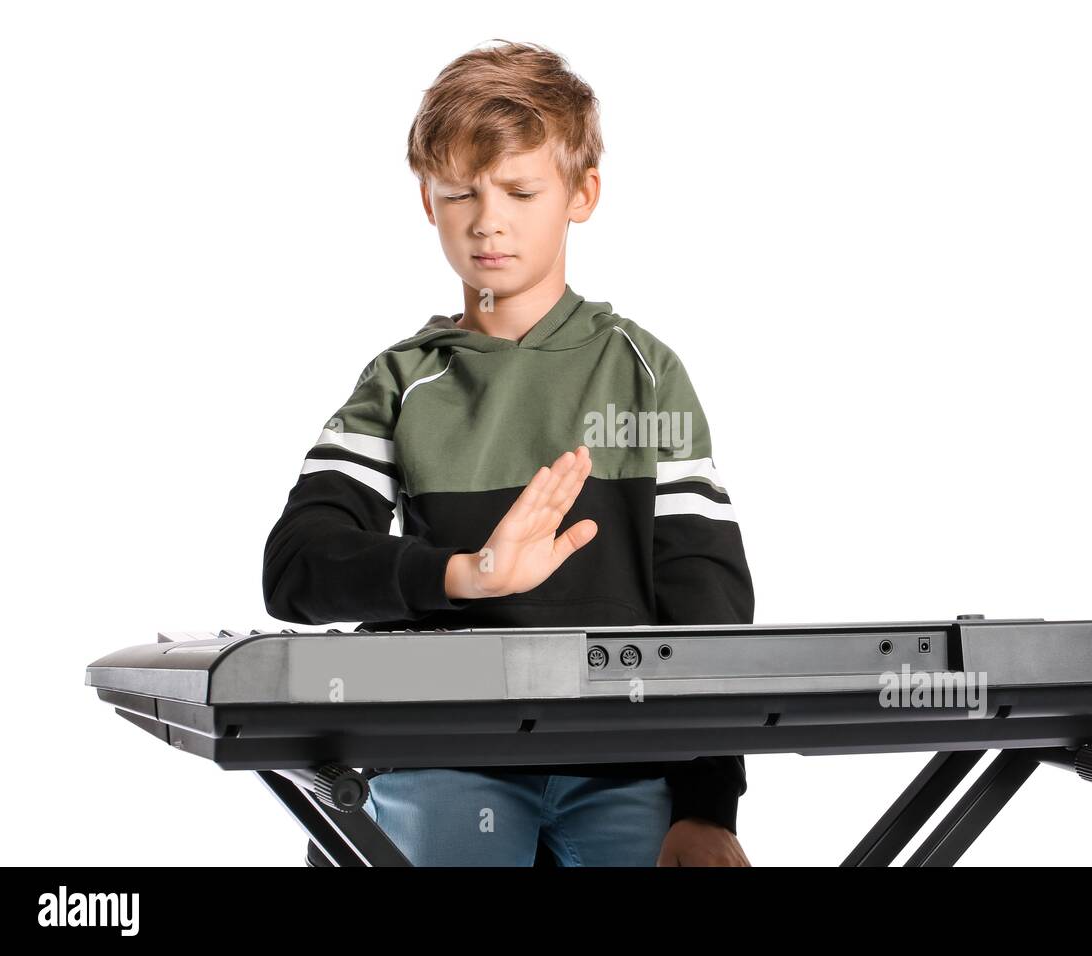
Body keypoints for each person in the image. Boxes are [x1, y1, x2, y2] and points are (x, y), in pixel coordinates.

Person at [262, 40, 754, 867]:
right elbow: (297, 566)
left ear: (581, 193)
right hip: (445, 752)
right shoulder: (400, 382)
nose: (488, 220)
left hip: (625, 762)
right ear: (428, 200)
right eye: (461, 192)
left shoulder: (645, 373)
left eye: (521, 191)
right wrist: (466, 575)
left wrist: (710, 804)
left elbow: (707, 600)